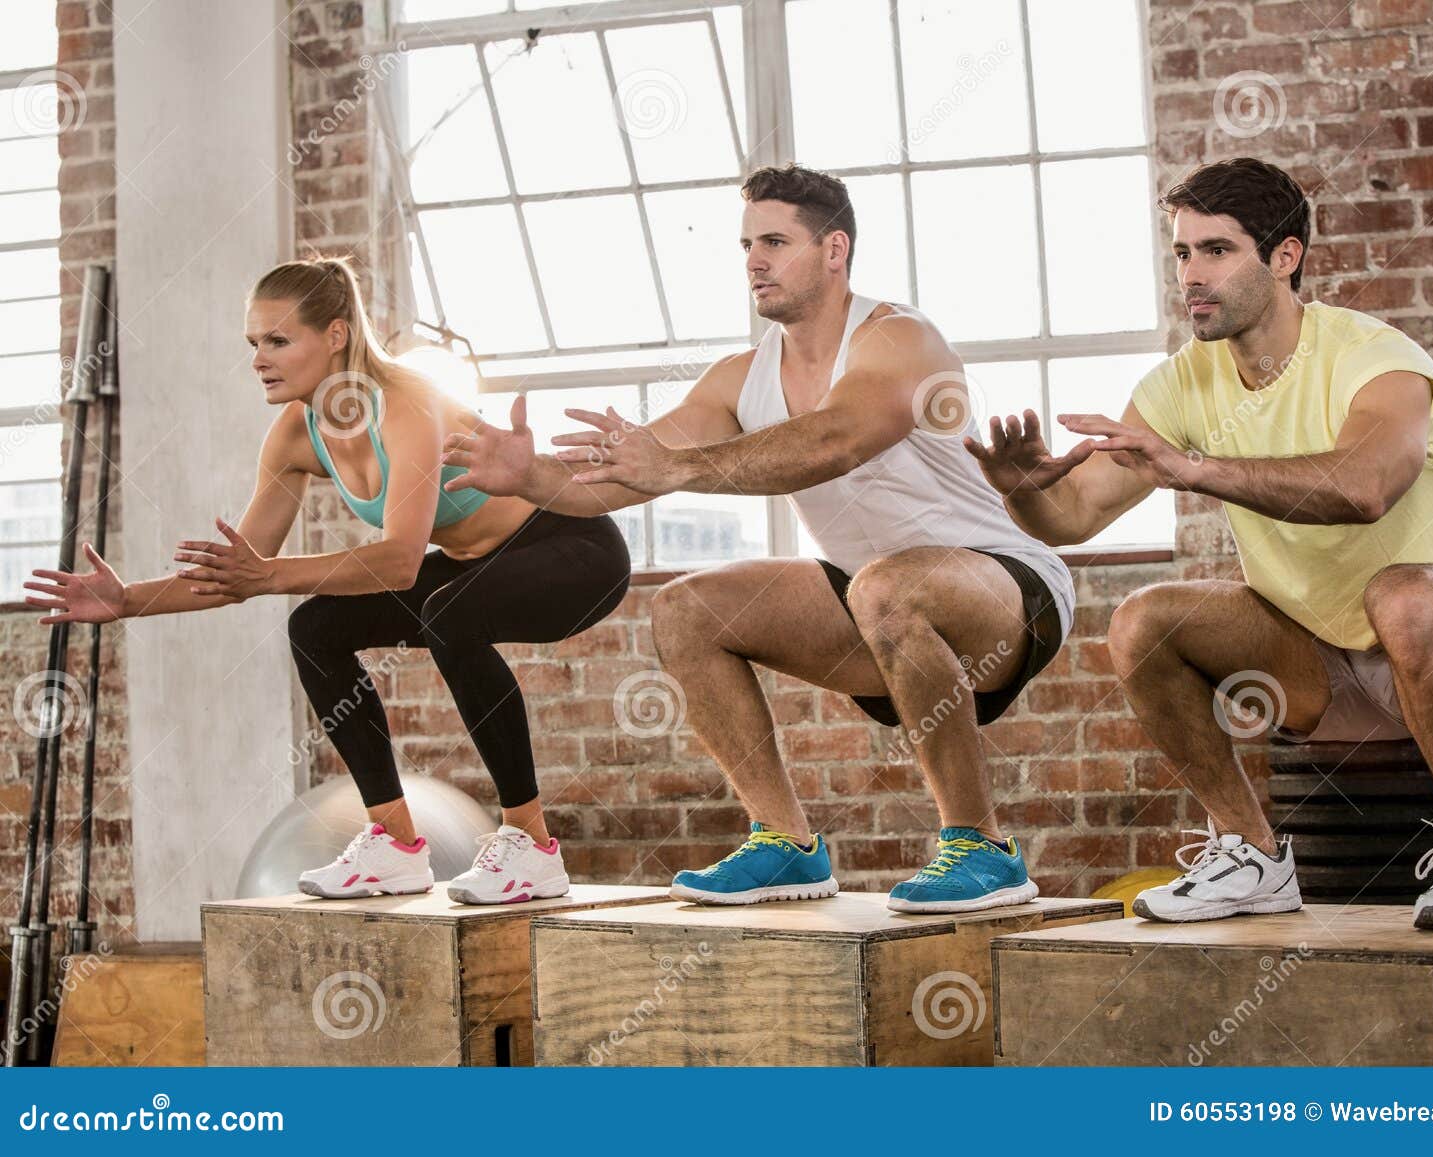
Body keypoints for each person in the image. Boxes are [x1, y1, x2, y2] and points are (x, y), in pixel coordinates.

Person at [442, 164, 1075, 913]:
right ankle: (786, 846)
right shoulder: (740, 378)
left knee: (886, 585)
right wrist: (531, 477)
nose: (754, 260)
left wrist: (675, 465)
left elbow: (834, 440)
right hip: (872, 596)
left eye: (775, 241)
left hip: (1007, 587)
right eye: (746, 243)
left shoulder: (899, 338)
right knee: (684, 610)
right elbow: (629, 474)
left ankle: (981, 847)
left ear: (834, 250)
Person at [967, 158, 1433, 930]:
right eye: (1182, 253)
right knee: (1143, 622)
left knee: (1403, 595)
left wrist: (1197, 469)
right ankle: (1250, 857)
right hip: (1327, 670)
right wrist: (1023, 490)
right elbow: (1074, 519)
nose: (1192, 275)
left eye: (1217, 250)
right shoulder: (1183, 381)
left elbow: (1363, 486)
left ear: (1284, 257)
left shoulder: (1375, 356)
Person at [25, 257, 630, 904]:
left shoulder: (405, 404)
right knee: (315, 625)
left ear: (336, 335)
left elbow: (398, 559)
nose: (260, 358)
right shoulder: (294, 435)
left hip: (572, 549)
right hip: (471, 570)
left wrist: (270, 576)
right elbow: (242, 570)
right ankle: (395, 841)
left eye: (278, 341)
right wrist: (127, 602)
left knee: (447, 610)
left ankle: (531, 844)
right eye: (253, 343)